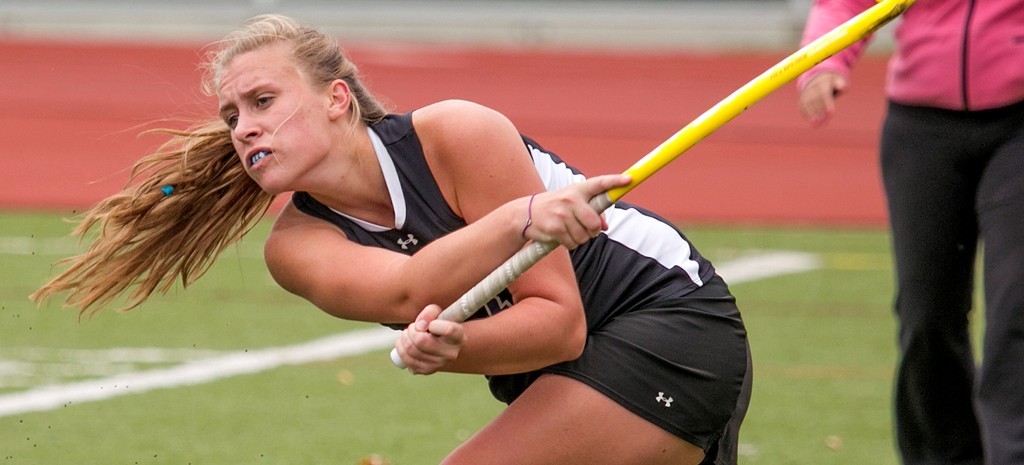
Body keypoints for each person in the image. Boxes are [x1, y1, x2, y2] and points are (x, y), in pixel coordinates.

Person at [32, 14, 752, 465]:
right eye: (231, 115)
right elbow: (410, 290)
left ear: (337, 98)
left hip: (671, 325)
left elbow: (559, 323)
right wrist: (456, 347)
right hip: (568, 371)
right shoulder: (297, 247)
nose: (243, 127)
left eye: (262, 101)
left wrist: (518, 221)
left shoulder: (456, 132)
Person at [796, 1, 1024, 464]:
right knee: (926, 316)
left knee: (1015, 309)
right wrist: (824, 61)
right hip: (922, 129)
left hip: (1018, 127)